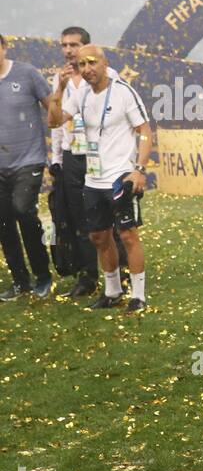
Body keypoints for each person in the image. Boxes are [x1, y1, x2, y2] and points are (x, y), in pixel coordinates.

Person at [49, 46, 152, 312]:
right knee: (99, 237)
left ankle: (138, 296)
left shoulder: (123, 92)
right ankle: (112, 291)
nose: (87, 69)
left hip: (121, 176)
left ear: (105, 63)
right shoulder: (81, 93)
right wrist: (59, 91)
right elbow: (54, 121)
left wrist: (139, 169)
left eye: (92, 62)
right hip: (93, 179)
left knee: (128, 235)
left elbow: (144, 130)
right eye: (82, 64)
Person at [45, 26, 103, 296]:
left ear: (87, 47)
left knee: (108, 217)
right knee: (77, 220)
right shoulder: (58, 81)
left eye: (74, 45)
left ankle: (122, 273)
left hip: (99, 155)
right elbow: (56, 124)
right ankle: (87, 277)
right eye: (64, 45)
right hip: (71, 157)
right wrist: (56, 159)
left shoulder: (104, 77)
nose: (68, 51)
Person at [0, 33, 54, 300]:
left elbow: (53, 110)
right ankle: (20, 281)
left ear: (4, 47)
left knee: (23, 210)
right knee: (3, 222)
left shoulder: (27, 74)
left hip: (29, 160)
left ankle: (43, 275)